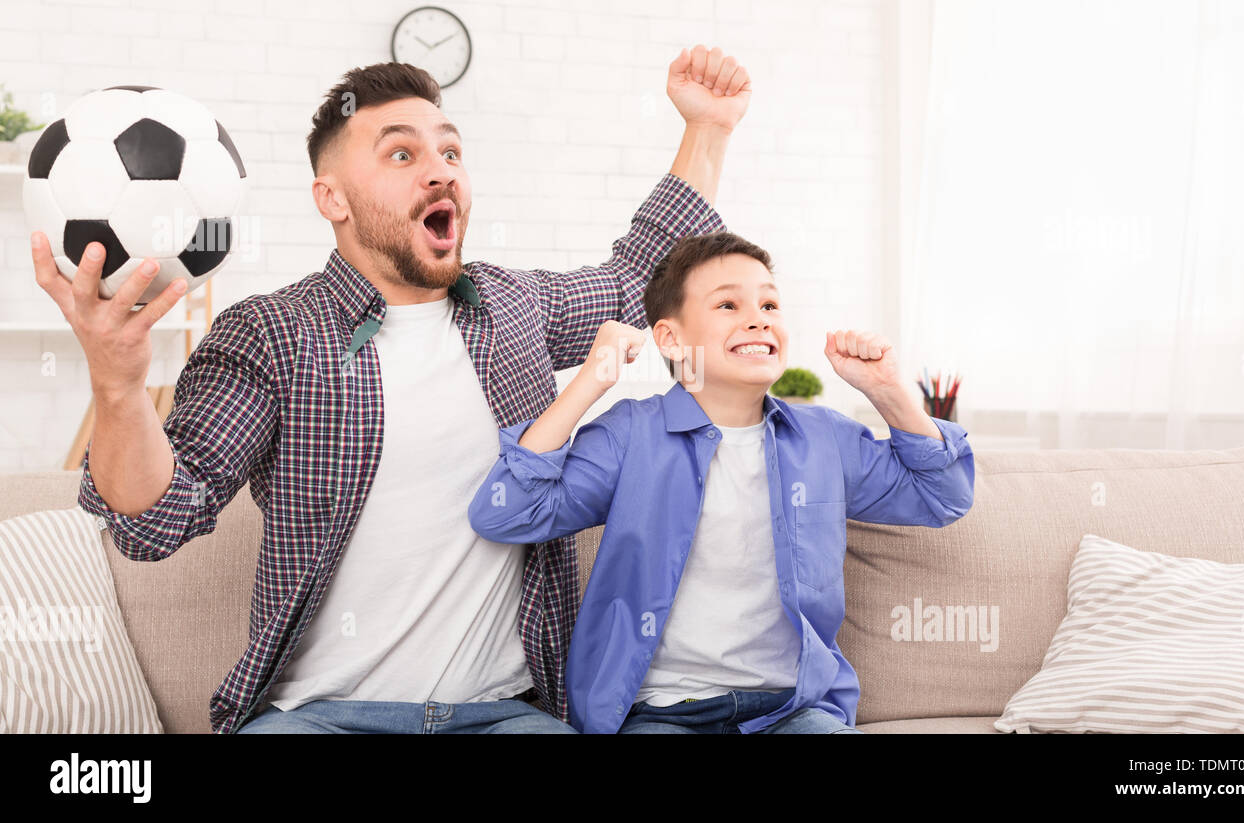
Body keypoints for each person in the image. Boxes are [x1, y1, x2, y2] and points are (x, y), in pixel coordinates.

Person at [30, 46, 751, 734]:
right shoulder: (271, 335)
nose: (438, 171)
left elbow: (638, 281)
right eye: (402, 154)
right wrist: (118, 386)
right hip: (317, 717)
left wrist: (706, 129)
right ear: (332, 199)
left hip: (505, 715)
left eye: (450, 151)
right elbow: (157, 520)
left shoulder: (512, 308)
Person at [468, 231, 975, 734]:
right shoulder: (630, 434)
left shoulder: (825, 439)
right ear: (670, 338)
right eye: (728, 305)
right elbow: (507, 511)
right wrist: (590, 381)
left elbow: (943, 496)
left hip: (790, 711)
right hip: (661, 713)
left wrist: (889, 391)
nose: (758, 318)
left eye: (770, 305)